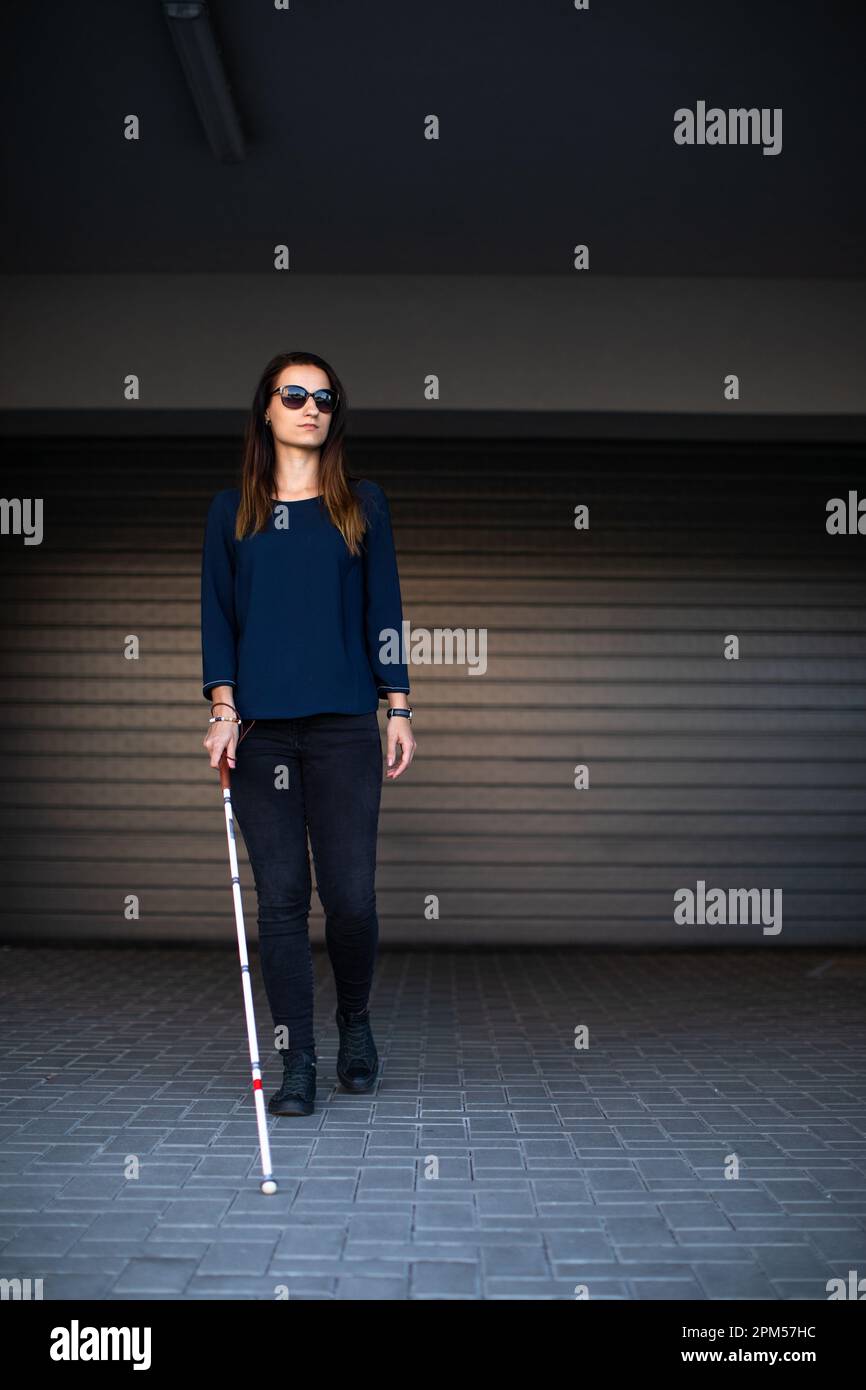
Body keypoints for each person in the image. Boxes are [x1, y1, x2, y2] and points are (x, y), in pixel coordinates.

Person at [200, 350, 416, 1116]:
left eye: (323, 398)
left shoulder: (363, 505)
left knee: (351, 899)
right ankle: (298, 1063)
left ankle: (355, 1020)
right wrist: (223, 709)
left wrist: (400, 706)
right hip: (261, 733)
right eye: (293, 395)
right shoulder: (232, 512)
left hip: (343, 726)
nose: (309, 407)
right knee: (282, 902)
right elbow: (218, 622)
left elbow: (384, 612)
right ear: (266, 407)